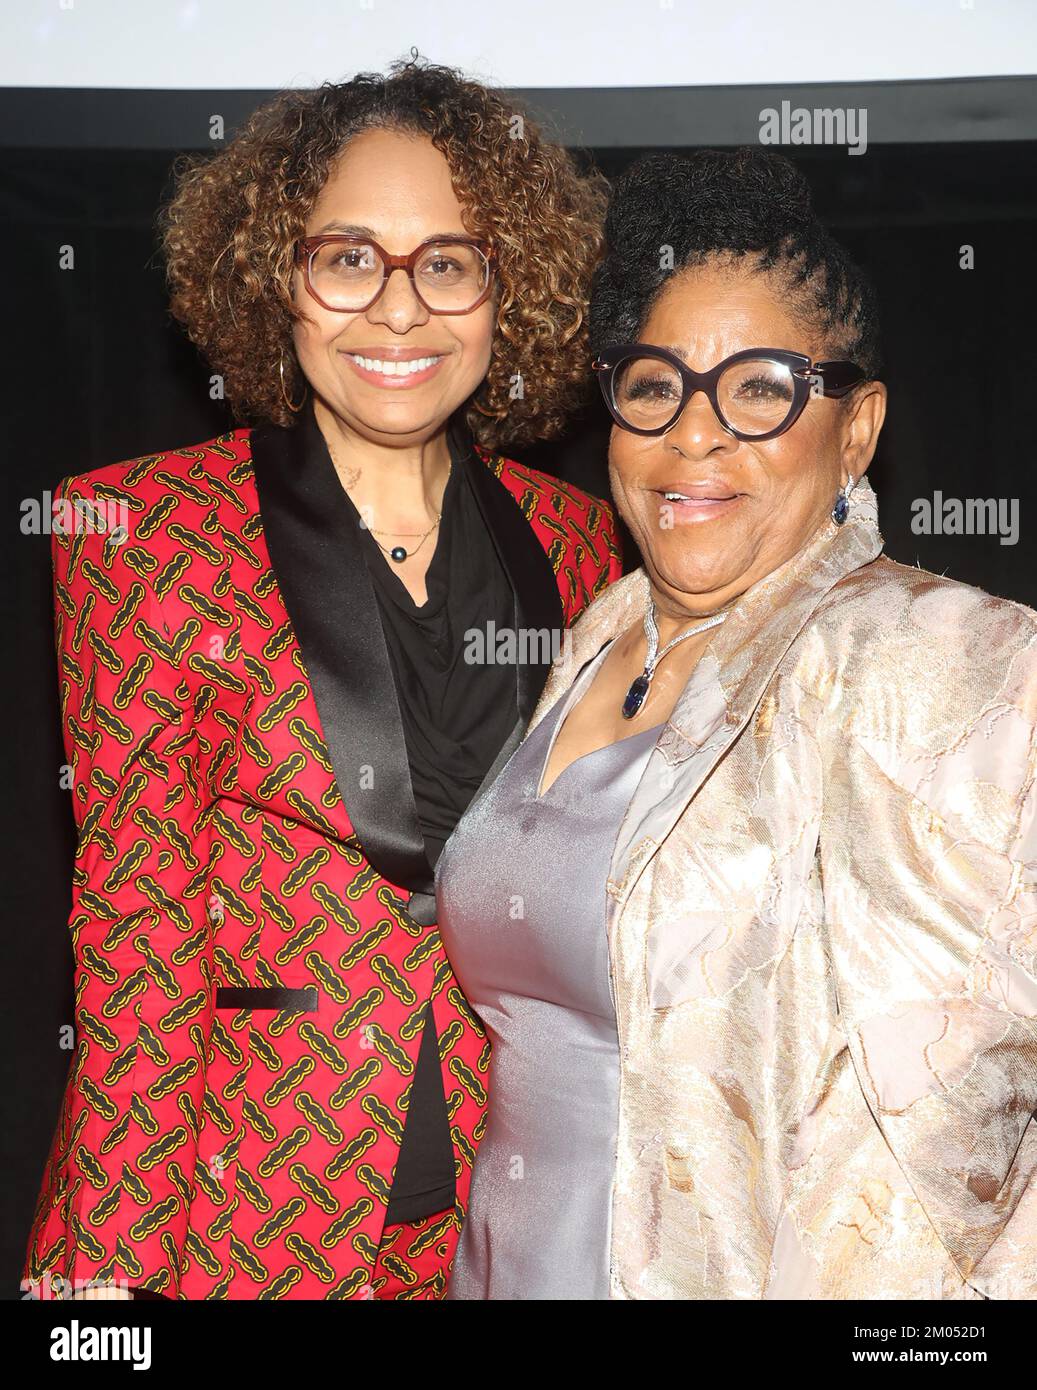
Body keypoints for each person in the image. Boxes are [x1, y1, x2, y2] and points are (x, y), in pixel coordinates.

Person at [24, 57, 621, 1302]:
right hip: (228, 1200)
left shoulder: (573, 540)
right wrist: (107, 1277)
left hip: (501, 1201)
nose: (398, 311)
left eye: (448, 261)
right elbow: (138, 927)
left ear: (506, 291)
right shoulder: (141, 532)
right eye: (348, 258)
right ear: (275, 281)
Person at [435, 148, 1037, 1300]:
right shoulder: (593, 636)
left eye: (759, 386)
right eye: (653, 383)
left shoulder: (943, 661)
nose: (693, 433)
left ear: (853, 431)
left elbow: (959, 1150)